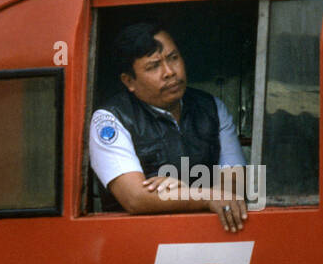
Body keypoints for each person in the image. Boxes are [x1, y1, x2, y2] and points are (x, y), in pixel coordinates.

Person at [89, 21, 248, 232]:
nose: (169, 72)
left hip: (207, 236)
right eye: (153, 66)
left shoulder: (211, 108)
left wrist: (183, 191)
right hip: (137, 241)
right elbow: (135, 198)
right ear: (129, 81)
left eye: (173, 58)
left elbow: (235, 184)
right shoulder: (110, 119)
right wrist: (206, 195)